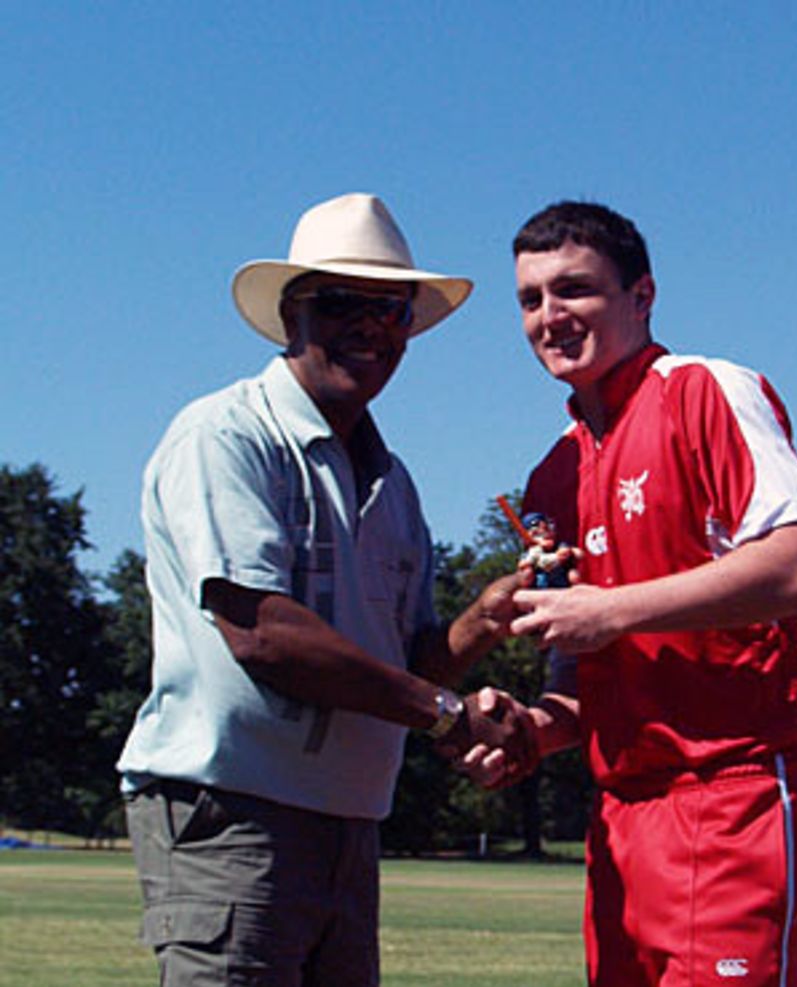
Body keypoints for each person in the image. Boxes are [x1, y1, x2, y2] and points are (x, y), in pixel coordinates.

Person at [116, 192, 530, 986]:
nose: (372, 327)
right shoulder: (225, 435)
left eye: (394, 309)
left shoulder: (394, 483)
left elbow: (402, 663)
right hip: (231, 809)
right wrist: (445, 716)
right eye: (343, 301)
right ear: (291, 313)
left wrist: (481, 621)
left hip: (349, 824)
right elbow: (263, 634)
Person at [465, 201, 797, 987]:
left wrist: (609, 608)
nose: (550, 316)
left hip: (730, 794)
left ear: (642, 296)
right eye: (530, 299)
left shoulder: (704, 390)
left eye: (575, 290)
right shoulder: (552, 475)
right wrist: (531, 729)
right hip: (621, 815)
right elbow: (582, 679)